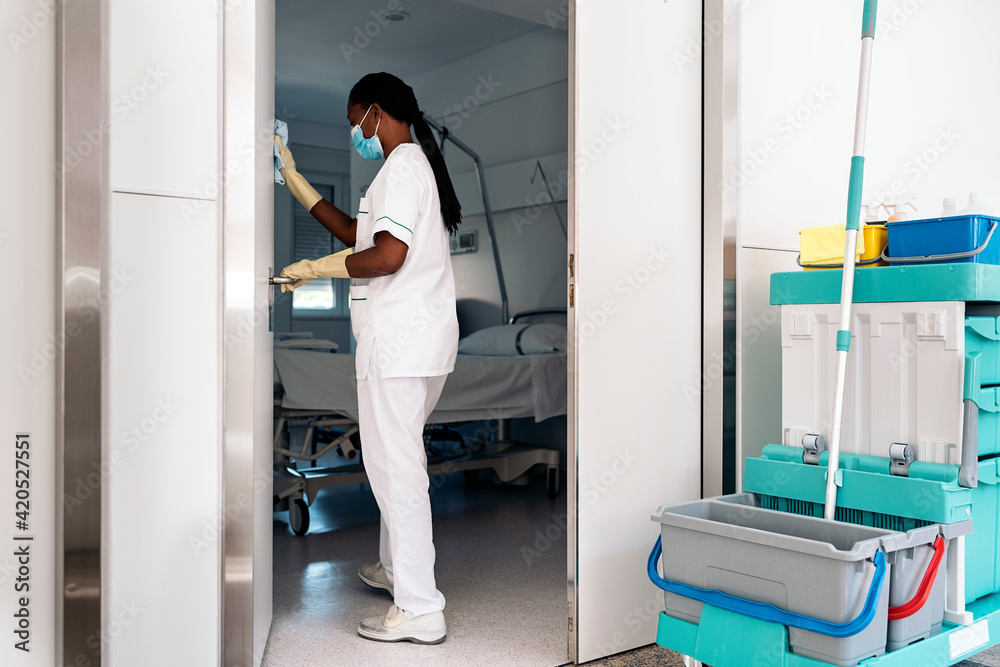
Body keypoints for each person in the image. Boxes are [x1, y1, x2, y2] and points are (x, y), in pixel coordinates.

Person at [275, 72, 461, 645]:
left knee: (395, 471)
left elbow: (385, 256)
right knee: (395, 462)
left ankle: (421, 608)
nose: (356, 132)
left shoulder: (403, 166)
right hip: (418, 346)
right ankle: (395, 571)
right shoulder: (406, 169)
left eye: (356, 122)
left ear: (375, 113)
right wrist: (297, 183)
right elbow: (361, 233)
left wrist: (315, 269)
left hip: (400, 347)